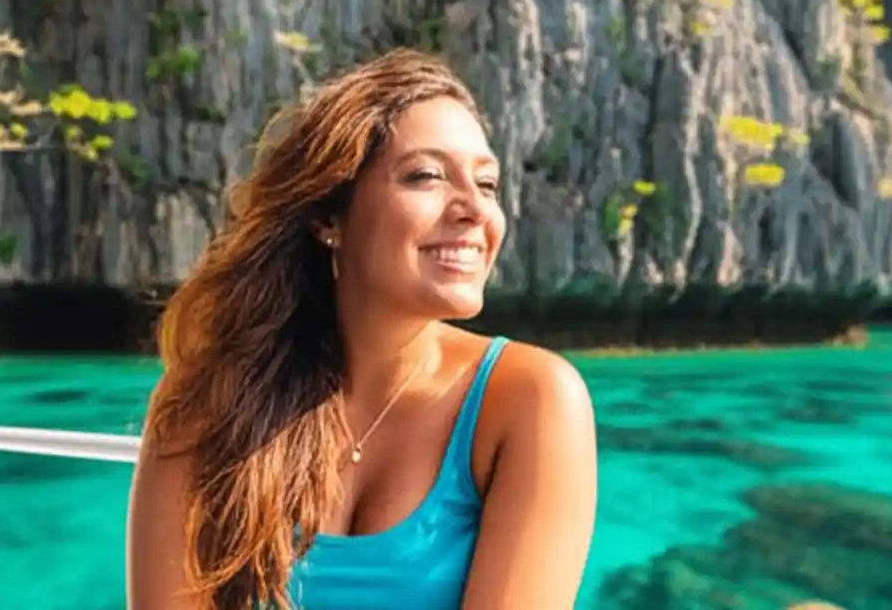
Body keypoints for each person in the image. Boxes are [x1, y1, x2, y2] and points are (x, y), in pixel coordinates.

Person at [126, 49, 598, 609]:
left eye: (488, 184)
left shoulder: (530, 398)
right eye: (426, 176)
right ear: (328, 217)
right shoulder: (210, 408)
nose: (475, 209)